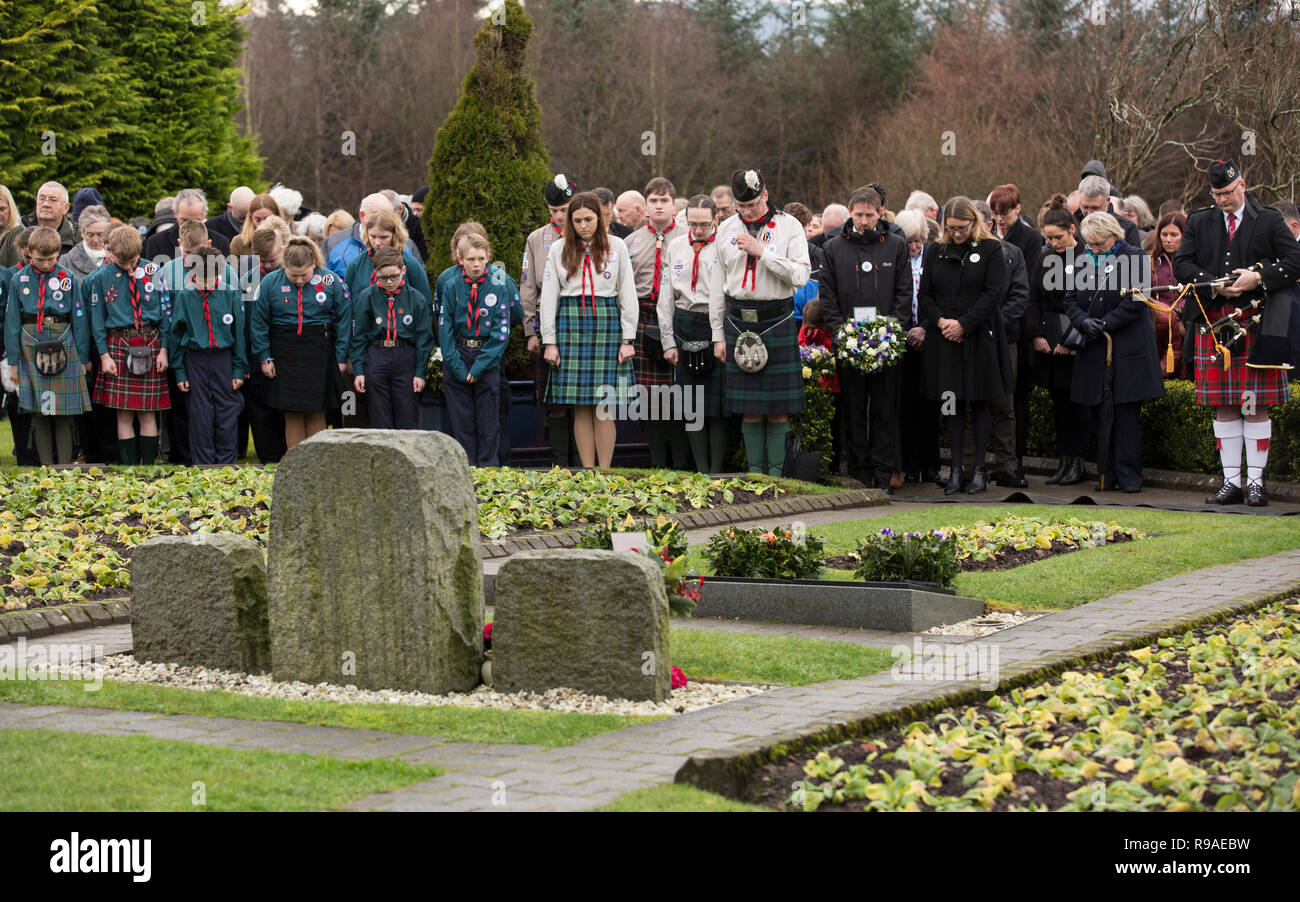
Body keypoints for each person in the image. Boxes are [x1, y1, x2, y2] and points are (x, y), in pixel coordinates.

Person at [1175, 160, 1300, 506]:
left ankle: (1256, 484)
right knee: (1225, 405)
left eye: (1229, 193)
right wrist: (1214, 286)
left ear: (1242, 185)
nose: (1224, 200)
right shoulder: (1200, 221)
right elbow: (1182, 264)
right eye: (1218, 195)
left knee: (1254, 405)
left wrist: (1257, 277)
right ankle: (1231, 483)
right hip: (1214, 321)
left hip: (1257, 323)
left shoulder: (1270, 220)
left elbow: (1294, 261)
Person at [708, 168, 811, 476]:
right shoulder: (726, 228)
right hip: (738, 321)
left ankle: (778, 478)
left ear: (765, 195)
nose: (748, 211)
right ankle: (755, 476)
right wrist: (717, 335)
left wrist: (762, 253)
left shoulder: (789, 226)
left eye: (753, 204)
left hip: (776, 320)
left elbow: (801, 275)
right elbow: (717, 286)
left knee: (778, 410)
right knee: (749, 409)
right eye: (742, 206)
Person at [819, 185, 911, 492]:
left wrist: (890, 333)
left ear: (880, 213)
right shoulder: (833, 248)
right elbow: (827, 297)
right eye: (858, 214)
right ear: (850, 213)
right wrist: (842, 333)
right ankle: (859, 473)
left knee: (885, 411)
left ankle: (883, 474)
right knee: (854, 411)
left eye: (869, 215)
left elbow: (903, 293)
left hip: (886, 344)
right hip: (849, 343)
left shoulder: (896, 245)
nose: (863, 221)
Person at [917, 197, 1012, 495]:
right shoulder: (937, 250)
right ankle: (956, 469)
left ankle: (979, 470)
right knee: (952, 404)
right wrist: (942, 322)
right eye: (952, 228)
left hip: (979, 336)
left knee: (981, 402)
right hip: (945, 337)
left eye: (963, 228)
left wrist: (964, 324)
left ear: (974, 222)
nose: (957, 234)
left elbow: (994, 293)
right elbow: (926, 294)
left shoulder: (992, 248)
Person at [539, 191, 638, 469]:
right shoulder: (559, 249)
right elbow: (549, 296)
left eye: (589, 219)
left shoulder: (617, 246)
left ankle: (604, 471)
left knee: (604, 406)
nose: (584, 225)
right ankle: (587, 471)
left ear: (600, 217)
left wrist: (628, 338)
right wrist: (550, 341)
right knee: (580, 406)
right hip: (570, 324)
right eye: (578, 220)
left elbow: (627, 293)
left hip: (607, 324)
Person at [1064, 212, 1162, 492]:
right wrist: (1083, 321)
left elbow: (1138, 300)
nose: (1094, 249)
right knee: (1099, 414)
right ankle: (1106, 475)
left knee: (1125, 415)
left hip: (1127, 350)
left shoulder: (1135, 257)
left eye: (1099, 244)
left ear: (1114, 236)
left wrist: (1106, 324)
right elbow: (1069, 298)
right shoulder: (1080, 259)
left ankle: (1129, 477)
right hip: (1094, 349)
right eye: (1090, 244)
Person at [251, 237, 351, 450]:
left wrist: (341, 357)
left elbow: (344, 321)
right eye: (293, 275)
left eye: (304, 275)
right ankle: (295, 465)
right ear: (283, 265)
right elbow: (259, 323)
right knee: (292, 412)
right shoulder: (269, 283)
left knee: (318, 410)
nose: (298, 280)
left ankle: (318, 464)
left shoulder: (332, 282)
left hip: (319, 349)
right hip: (284, 351)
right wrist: (264, 357)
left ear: (313, 263)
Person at [4, 227, 93, 464]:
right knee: (40, 410)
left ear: (58, 253)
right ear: (28, 252)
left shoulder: (67, 278)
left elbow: (80, 319)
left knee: (62, 411)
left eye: (51, 259)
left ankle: (63, 467)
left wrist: (83, 358)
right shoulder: (18, 279)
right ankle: (45, 467)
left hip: (63, 339)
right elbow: (12, 322)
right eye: (39, 259)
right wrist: (13, 363)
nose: (45, 264)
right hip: (30, 342)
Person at [85, 225, 171, 464]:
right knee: (123, 414)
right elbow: (97, 321)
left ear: (140, 250)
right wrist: (104, 356)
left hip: (151, 342)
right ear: (111, 252)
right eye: (122, 261)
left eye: (131, 261)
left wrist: (164, 350)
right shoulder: (101, 278)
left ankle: (149, 469)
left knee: (147, 412)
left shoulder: (155, 272)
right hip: (117, 345)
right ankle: (129, 469)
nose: (127, 266)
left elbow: (166, 314)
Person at [658, 194, 727, 473]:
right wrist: (667, 341)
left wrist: (722, 334)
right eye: (693, 224)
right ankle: (700, 471)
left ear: (716, 219)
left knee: (718, 406)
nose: (698, 230)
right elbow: (666, 296)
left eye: (705, 225)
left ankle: (718, 472)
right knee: (692, 404)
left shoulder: (725, 245)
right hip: (685, 321)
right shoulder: (675, 245)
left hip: (716, 322)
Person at [435, 234, 518, 463]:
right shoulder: (451, 287)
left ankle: (488, 473)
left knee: (489, 423)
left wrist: (480, 366)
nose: (476, 264)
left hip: (487, 358)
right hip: (458, 356)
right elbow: (445, 330)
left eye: (481, 259)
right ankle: (467, 470)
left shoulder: (498, 287)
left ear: (488, 258)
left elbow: (501, 332)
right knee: (462, 423)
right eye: (471, 259)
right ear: (460, 259)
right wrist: (458, 367)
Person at [626, 177, 689, 469]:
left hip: (678, 316)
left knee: (679, 394)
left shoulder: (689, 237)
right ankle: (657, 463)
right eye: (654, 200)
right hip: (642, 319)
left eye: (665, 200)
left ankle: (681, 464)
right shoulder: (631, 241)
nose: (659, 205)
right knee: (650, 397)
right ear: (646, 205)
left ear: (674, 204)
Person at [166, 246, 246, 465]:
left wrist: (239, 368)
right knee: (200, 413)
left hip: (224, 358)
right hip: (196, 360)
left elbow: (239, 334)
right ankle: (203, 465)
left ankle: (226, 464)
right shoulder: (185, 296)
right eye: (202, 279)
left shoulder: (229, 293)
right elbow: (176, 336)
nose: (207, 284)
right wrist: (180, 372)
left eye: (211, 279)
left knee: (227, 411)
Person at [522, 174, 578, 466]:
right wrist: (532, 331)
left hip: (581, 324)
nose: (558, 216)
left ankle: (585, 464)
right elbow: (528, 286)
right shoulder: (537, 239)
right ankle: (560, 465)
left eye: (564, 210)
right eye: (553, 211)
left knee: (583, 401)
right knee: (555, 401)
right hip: (548, 324)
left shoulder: (589, 234)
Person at [976, 196, 1032, 488]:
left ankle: (1006, 464)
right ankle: (972, 465)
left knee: (1004, 404)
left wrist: (993, 326)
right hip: (968, 340)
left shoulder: (1012, 254)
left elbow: (1020, 296)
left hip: (1003, 340)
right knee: (970, 405)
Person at [351, 246, 434, 433]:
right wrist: (359, 370)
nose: (389, 282)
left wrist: (420, 372)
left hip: (405, 355)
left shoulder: (416, 299)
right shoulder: (367, 297)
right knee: (379, 414)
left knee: (407, 412)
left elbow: (423, 338)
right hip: (377, 355)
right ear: (375, 273)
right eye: (383, 277)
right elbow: (360, 337)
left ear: (403, 270)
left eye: (394, 276)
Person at [894, 210, 941, 484]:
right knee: (906, 407)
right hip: (903, 340)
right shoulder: (897, 260)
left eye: (918, 241)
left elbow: (939, 295)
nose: (914, 246)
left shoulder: (933, 259)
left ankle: (931, 465)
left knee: (932, 406)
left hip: (930, 339)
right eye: (910, 241)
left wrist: (925, 326)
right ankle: (910, 465)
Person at [236, 226, 288, 464]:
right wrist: (247, 360)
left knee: (284, 410)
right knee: (261, 410)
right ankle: (268, 457)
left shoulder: (292, 275)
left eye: (272, 260)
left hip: (284, 351)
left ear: (283, 249)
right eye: (262, 260)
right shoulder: (249, 280)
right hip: (256, 355)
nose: (267, 265)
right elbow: (244, 322)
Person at [1, 226, 41, 464]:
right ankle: (23, 453)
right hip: (14, 347)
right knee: (17, 401)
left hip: (43, 345)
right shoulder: (10, 276)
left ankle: (44, 454)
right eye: (26, 253)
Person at [0, 182, 78, 266]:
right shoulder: (17, 232)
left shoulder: (76, 235)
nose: (46, 204)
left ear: (66, 207)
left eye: (53, 200)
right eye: (42, 199)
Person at [1149, 211, 1188, 378]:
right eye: (1164, 234)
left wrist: (1179, 312)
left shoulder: (1192, 262)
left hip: (1185, 324)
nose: (1168, 239)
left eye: (1174, 234)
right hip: (1159, 327)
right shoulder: (1151, 262)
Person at [144, 188, 230, 259]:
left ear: (204, 215)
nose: (190, 225)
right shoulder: (156, 242)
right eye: (184, 220)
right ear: (175, 213)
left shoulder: (221, 242)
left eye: (196, 220)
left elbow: (226, 277)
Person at [1077, 175, 1143, 248]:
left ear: (1107, 201)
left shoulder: (1128, 228)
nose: (1089, 213)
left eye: (1095, 208)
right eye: (1085, 207)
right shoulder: (1073, 227)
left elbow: (1136, 258)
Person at [61, 206, 111, 281]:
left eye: (100, 234)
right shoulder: (66, 261)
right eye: (90, 235)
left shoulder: (117, 259)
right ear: (82, 233)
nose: (95, 240)